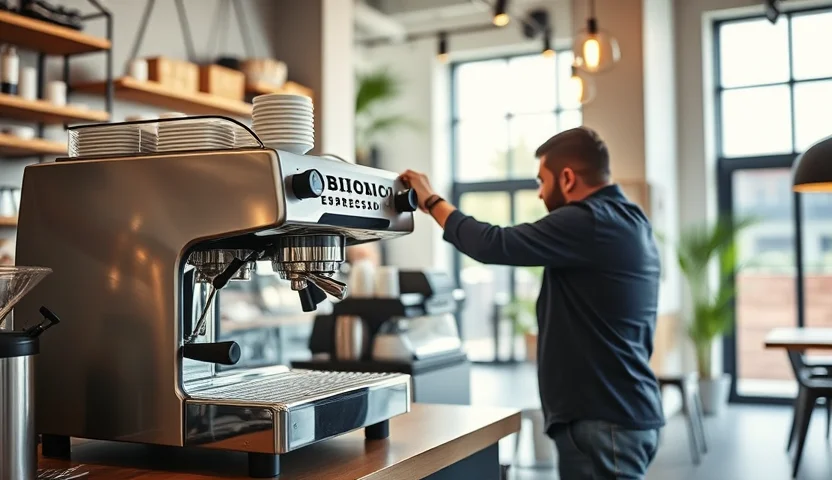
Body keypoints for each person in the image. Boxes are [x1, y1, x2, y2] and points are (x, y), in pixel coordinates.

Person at [399, 127, 665, 479]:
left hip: (604, 422)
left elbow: (492, 243)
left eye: (542, 181)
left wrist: (432, 201)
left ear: (567, 178)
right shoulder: (628, 218)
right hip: (616, 415)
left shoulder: (590, 220)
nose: (540, 193)